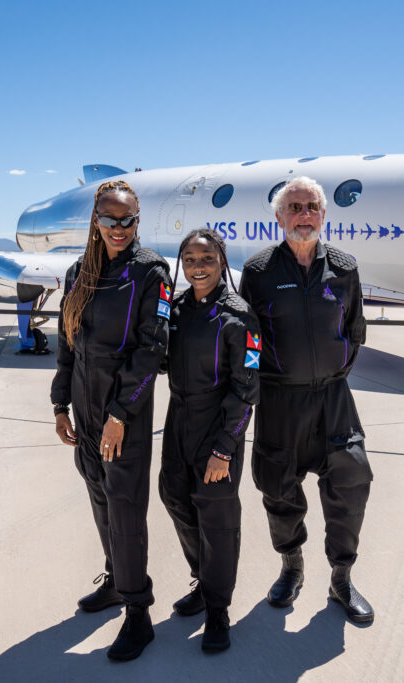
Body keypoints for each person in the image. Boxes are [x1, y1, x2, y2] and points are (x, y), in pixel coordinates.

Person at [239, 176, 374, 624]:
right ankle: (291, 565)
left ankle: (341, 576)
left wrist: (332, 373)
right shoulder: (258, 272)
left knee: (351, 478)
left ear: (323, 213)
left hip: (334, 397)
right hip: (280, 399)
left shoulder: (344, 267)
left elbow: (355, 329)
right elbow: (247, 338)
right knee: (278, 485)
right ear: (279, 217)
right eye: (295, 207)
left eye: (312, 206)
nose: (304, 214)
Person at [51, 180, 171, 661]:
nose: (119, 228)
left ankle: (138, 614)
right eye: (109, 219)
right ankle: (117, 582)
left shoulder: (151, 273)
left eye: (128, 220)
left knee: (124, 508)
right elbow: (67, 343)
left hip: (125, 409)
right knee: (99, 495)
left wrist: (121, 413)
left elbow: (153, 348)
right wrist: (60, 404)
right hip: (84, 403)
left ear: (138, 221)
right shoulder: (80, 270)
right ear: (95, 221)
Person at [159, 229, 260, 652]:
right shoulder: (176, 308)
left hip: (218, 425)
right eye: (189, 259)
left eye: (206, 258)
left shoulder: (240, 316)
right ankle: (204, 581)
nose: (198, 266)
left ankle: (218, 609)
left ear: (221, 260)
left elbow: (248, 386)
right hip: (178, 418)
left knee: (216, 519)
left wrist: (224, 448)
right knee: (175, 499)